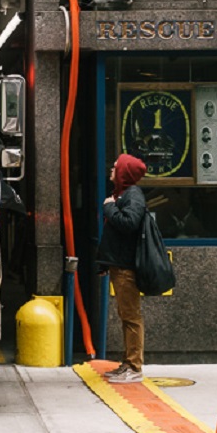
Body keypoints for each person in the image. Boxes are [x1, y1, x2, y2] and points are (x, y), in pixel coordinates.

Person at [96, 152, 148, 383]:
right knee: (126, 316)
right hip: (120, 265)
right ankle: (128, 363)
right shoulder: (123, 194)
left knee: (131, 317)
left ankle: (134, 367)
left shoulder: (133, 196)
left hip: (127, 268)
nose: (111, 170)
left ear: (124, 173)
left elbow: (129, 224)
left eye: (115, 167)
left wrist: (110, 208)